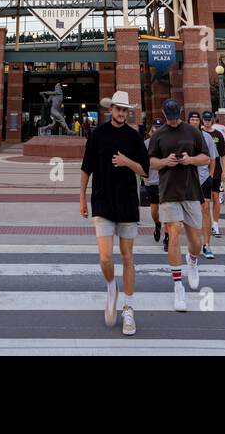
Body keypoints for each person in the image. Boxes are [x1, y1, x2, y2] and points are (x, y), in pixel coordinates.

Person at [80, 90, 149, 336]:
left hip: (128, 204)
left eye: (125, 110)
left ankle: (128, 308)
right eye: (118, 109)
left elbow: (145, 171)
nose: (121, 113)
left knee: (128, 258)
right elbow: (86, 167)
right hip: (102, 202)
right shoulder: (97, 135)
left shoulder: (134, 137)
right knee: (105, 258)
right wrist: (81, 198)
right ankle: (111, 287)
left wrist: (127, 162)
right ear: (110, 110)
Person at [148, 98, 210, 312]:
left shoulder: (193, 132)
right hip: (168, 191)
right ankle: (177, 286)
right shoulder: (158, 135)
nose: (174, 121)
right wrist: (166, 162)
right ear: (165, 114)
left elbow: (206, 158)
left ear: (179, 112)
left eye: (176, 117)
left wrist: (189, 160)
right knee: (174, 232)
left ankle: (192, 261)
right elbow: (151, 161)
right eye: (170, 117)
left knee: (195, 238)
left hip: (191, 190)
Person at [187, 111, 219, 259]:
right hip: (188, 180)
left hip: (204, 178)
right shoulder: (183, 137)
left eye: (196, 120)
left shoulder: (206, 137)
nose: (194, 122)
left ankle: (207, 245)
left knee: (205, 209)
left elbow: (213, 158)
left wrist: (211, 176)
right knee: (191, 212)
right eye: (191, 119)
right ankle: (194, 244)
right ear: (188, 122)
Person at [201, 111, 225, 236]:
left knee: (216, 197)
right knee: (203, 201)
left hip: (216, 170)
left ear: (212, 120)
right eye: (205, 119)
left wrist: (224, 170)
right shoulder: (198, 134)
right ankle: (204, 224)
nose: (207, 121)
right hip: (201, 170)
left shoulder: (218, 134)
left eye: (209, 119)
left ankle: (215, 224)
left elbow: (224, 154)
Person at [142, 119, 164, 248]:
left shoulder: (168, 141)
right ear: (152, 130)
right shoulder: (146, 143)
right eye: (156, 127)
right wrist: (144, 176)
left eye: (160, 127)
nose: (157, 129)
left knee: (168, 209)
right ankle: (157, 224)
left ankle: (167, 236)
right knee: (155, 210)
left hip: (166, 182)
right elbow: (142, 161)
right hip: (151, 181)